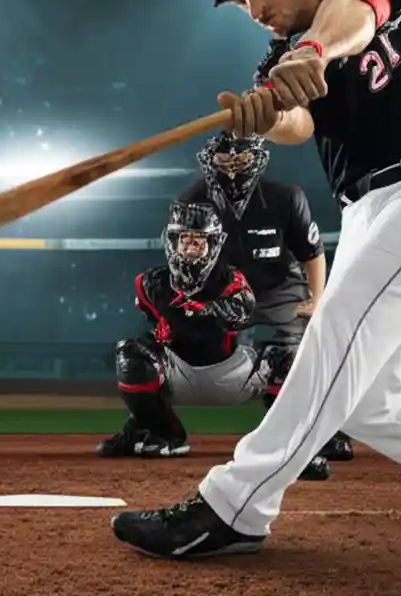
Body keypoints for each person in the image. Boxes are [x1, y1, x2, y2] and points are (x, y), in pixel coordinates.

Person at [111, 0, 401, 559]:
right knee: (360, 395)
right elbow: (300, 119)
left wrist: (312, 52)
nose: (256, 9)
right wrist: (265, 113)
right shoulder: (276, 61)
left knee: (331, 333)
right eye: (241, 2)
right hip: (367, 210)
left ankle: (236, 507)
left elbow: (355, 14)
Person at [96, 200, 331, 481]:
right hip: (176, 372)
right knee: (130, 353)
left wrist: (205, 310)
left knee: (288, 359)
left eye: (199, 241)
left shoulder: (232, 281)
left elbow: (235, 317)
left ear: (214, 244)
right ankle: (161, 432)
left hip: (230, 374)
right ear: (173, 241)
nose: (191, 247)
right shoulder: (150, 283)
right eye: (185, 240)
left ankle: (289, 447)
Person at [180, 129, 354, 462]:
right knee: (172, 340)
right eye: (224, 157)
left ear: (256, 159)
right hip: (221, 290)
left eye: (240, 156)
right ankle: (153, 426)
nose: (231, 166)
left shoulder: (285, 197)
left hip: (278, 287)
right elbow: (181, 254)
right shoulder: (192, 199)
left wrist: (317, 298)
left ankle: (321, 430)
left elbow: (311, 252)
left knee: (301, 348)